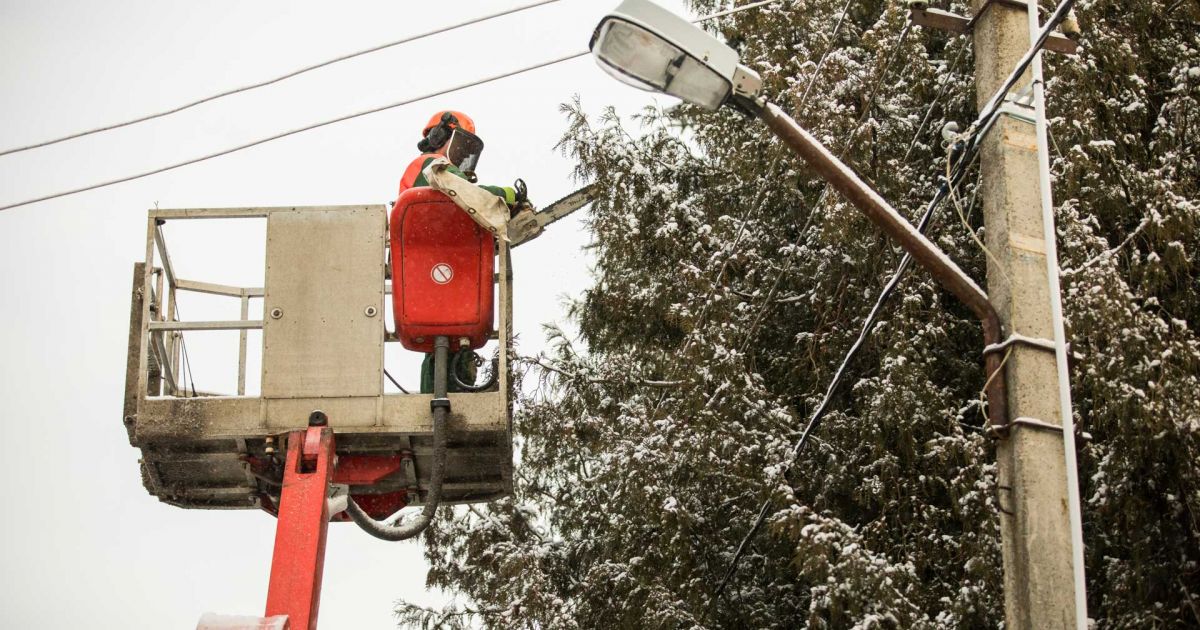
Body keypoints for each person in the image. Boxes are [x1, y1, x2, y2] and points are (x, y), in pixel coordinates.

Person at [396, 110, 520, 393]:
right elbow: (458, 189)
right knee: (442, 344)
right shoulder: (429, 166)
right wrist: (507, 195)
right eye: (461, 144)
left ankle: (456, 394)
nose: (463, 156)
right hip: (429, 269)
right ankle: (439, 403)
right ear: (441, 135)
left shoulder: (451, 184)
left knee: (458, 342)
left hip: (444, 267)